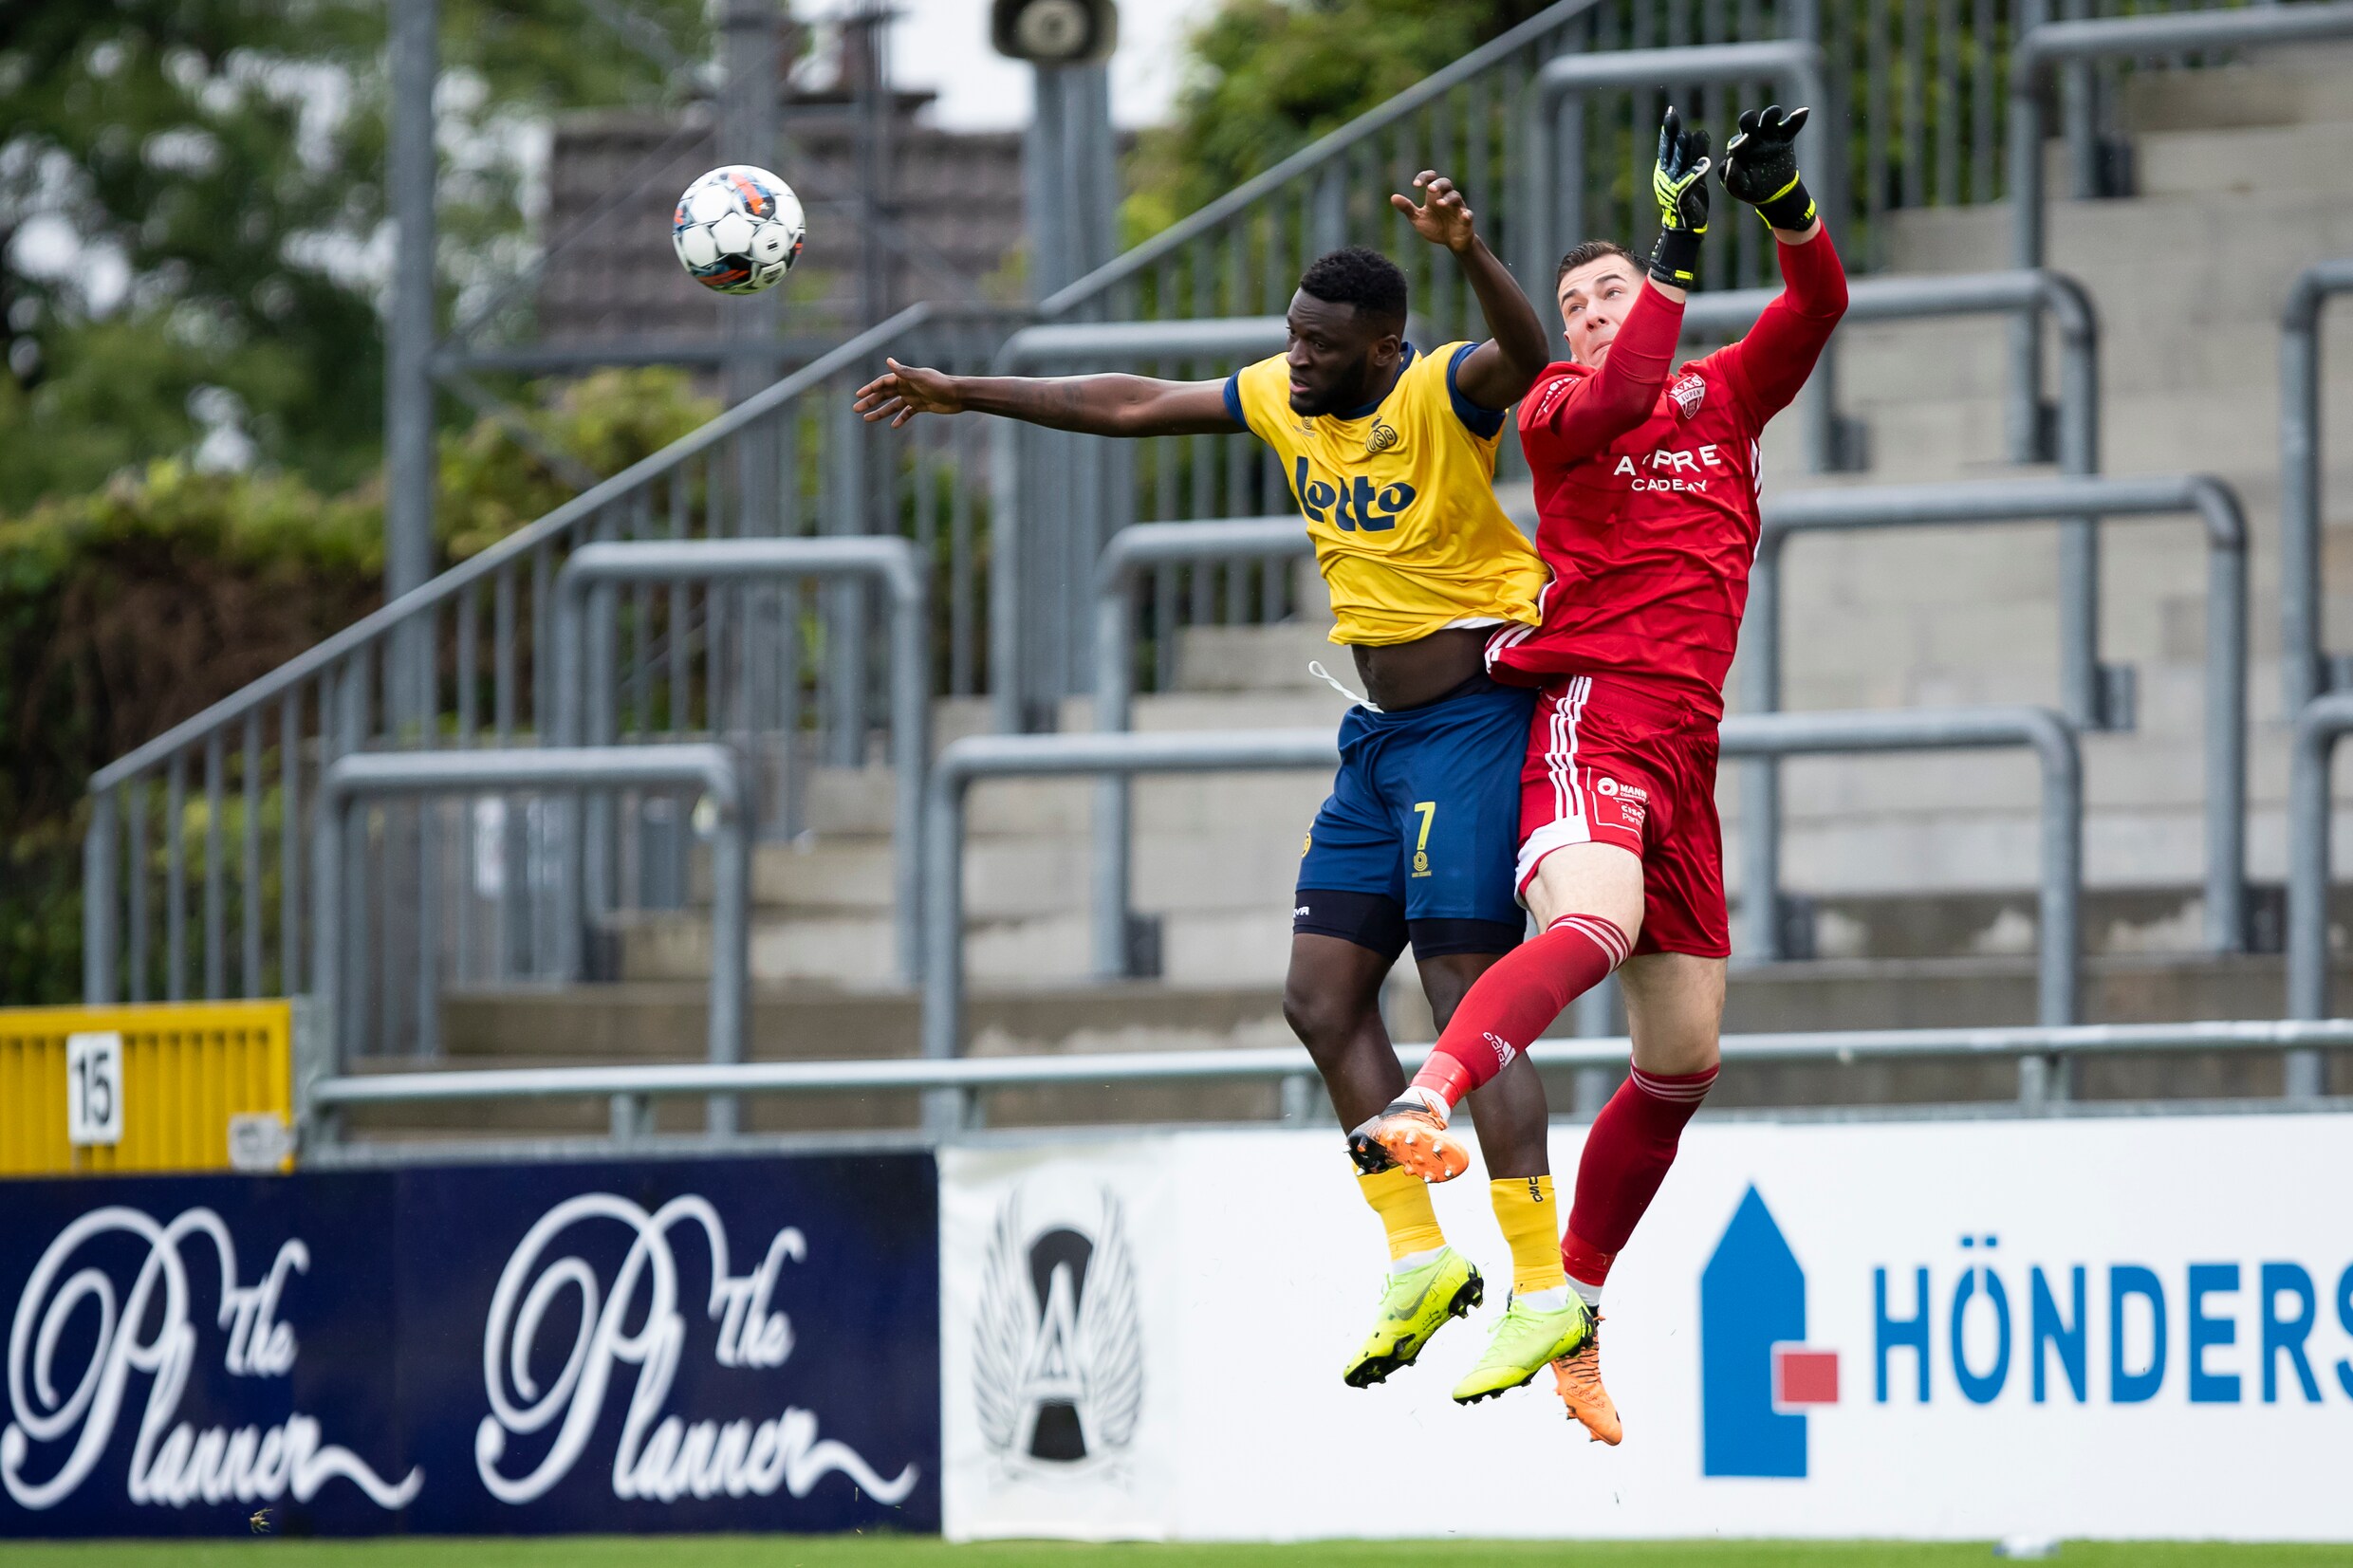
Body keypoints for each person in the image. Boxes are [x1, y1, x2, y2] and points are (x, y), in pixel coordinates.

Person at [854, 174, 1587, 1402]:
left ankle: (1543, 1286)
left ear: (1382, 349)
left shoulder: (1439, 391)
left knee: (1466, 996)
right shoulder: (1285, 397)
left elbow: (1527, 354)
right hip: (1376, 740)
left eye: (1321, 344)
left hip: (1471, 724)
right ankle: (1420, 1255)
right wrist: (964, 390)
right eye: (1292, 334)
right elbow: (1131, 401)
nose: (1295, 358)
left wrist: (1470, 250)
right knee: (1319, 996)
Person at [1363, 104, 1850, 1444]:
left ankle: (1571, 1307)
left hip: (1689, 744)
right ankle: (1426, 1098)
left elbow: (1819, 305)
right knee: (1595, 922)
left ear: (1652, 302)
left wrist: (1783, 203)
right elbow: (1626, 390)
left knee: (1683, 1060)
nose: (1586, 314)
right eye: (1573, 302)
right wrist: (1675, 251)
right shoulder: (1562, 407)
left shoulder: (1724, 392)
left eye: (1610, 293)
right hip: (1598, 716)